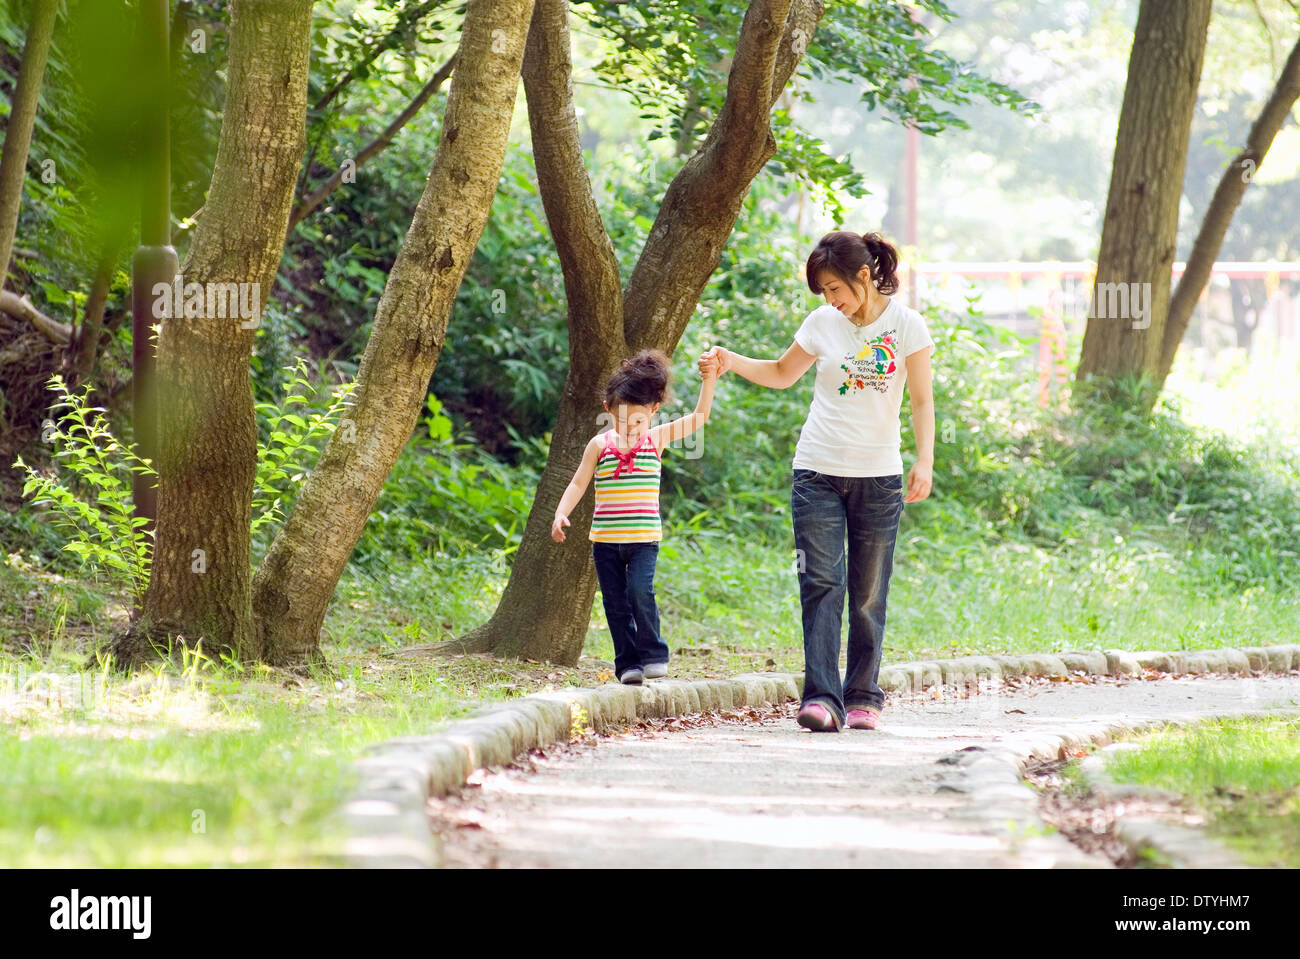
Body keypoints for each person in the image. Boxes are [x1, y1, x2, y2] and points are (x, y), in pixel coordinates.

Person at [700, 231, 934, 731]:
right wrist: (730, 360)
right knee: (821, 582)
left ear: (864, 276)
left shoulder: (906, 325)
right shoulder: (821, 323)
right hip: (817, 471)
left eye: (836, 289)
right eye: (825, 293)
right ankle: (823, 699)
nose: (832, 301)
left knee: (868, 590)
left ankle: (865, 694)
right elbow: (783, 373)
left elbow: (921, 400)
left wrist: (925, 460)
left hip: (879, 476)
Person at [552, 349, 719, 685]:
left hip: (643, 541)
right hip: (605, 542)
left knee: (640, 593)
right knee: (615, 604)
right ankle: (628, 664)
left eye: (639, 422)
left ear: (653, 411)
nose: (631, 429)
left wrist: (709, 378)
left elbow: (699, 417)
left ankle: (654, 653)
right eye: (623, 421)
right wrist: (561, 513)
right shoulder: (599, 445)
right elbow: (578, 481)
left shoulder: (655, 440)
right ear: (609, 411)